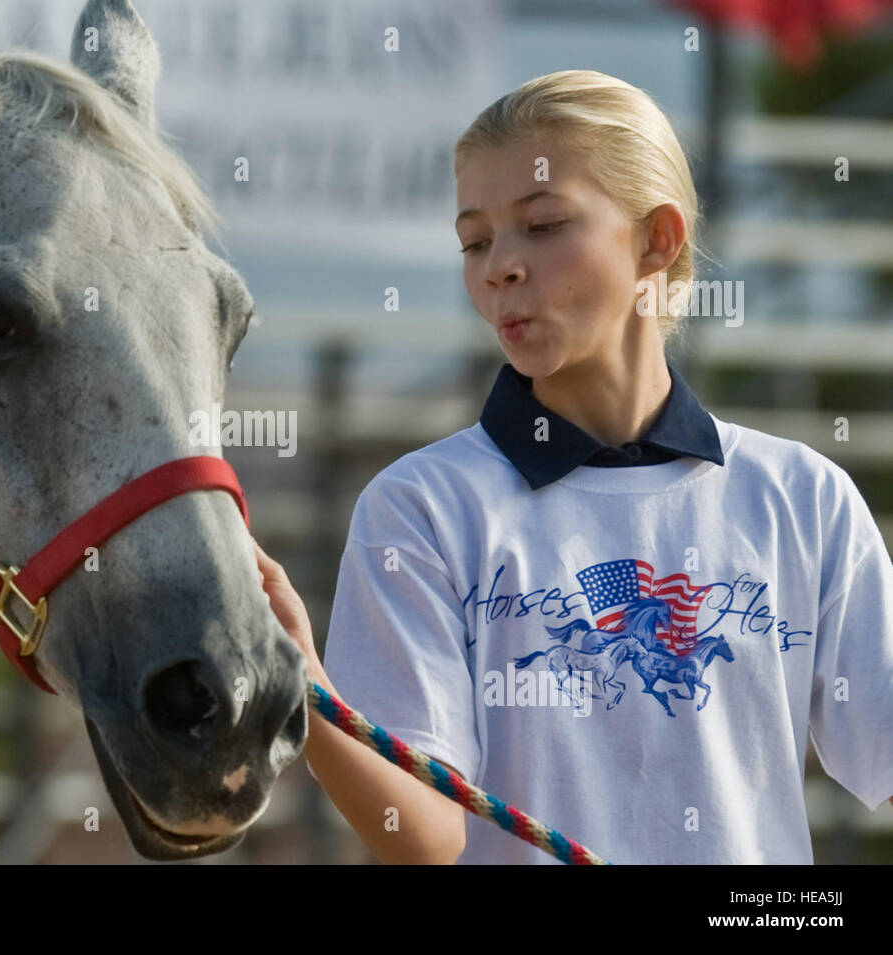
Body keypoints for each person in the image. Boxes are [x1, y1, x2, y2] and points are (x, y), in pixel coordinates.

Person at [253, 69, 893, 865]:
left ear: (658, 239)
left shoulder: (805, 499)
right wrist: (306, 686)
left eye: (543, 225)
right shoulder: (419, 508)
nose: (499, 267)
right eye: (475, 240)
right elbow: (421, 838)